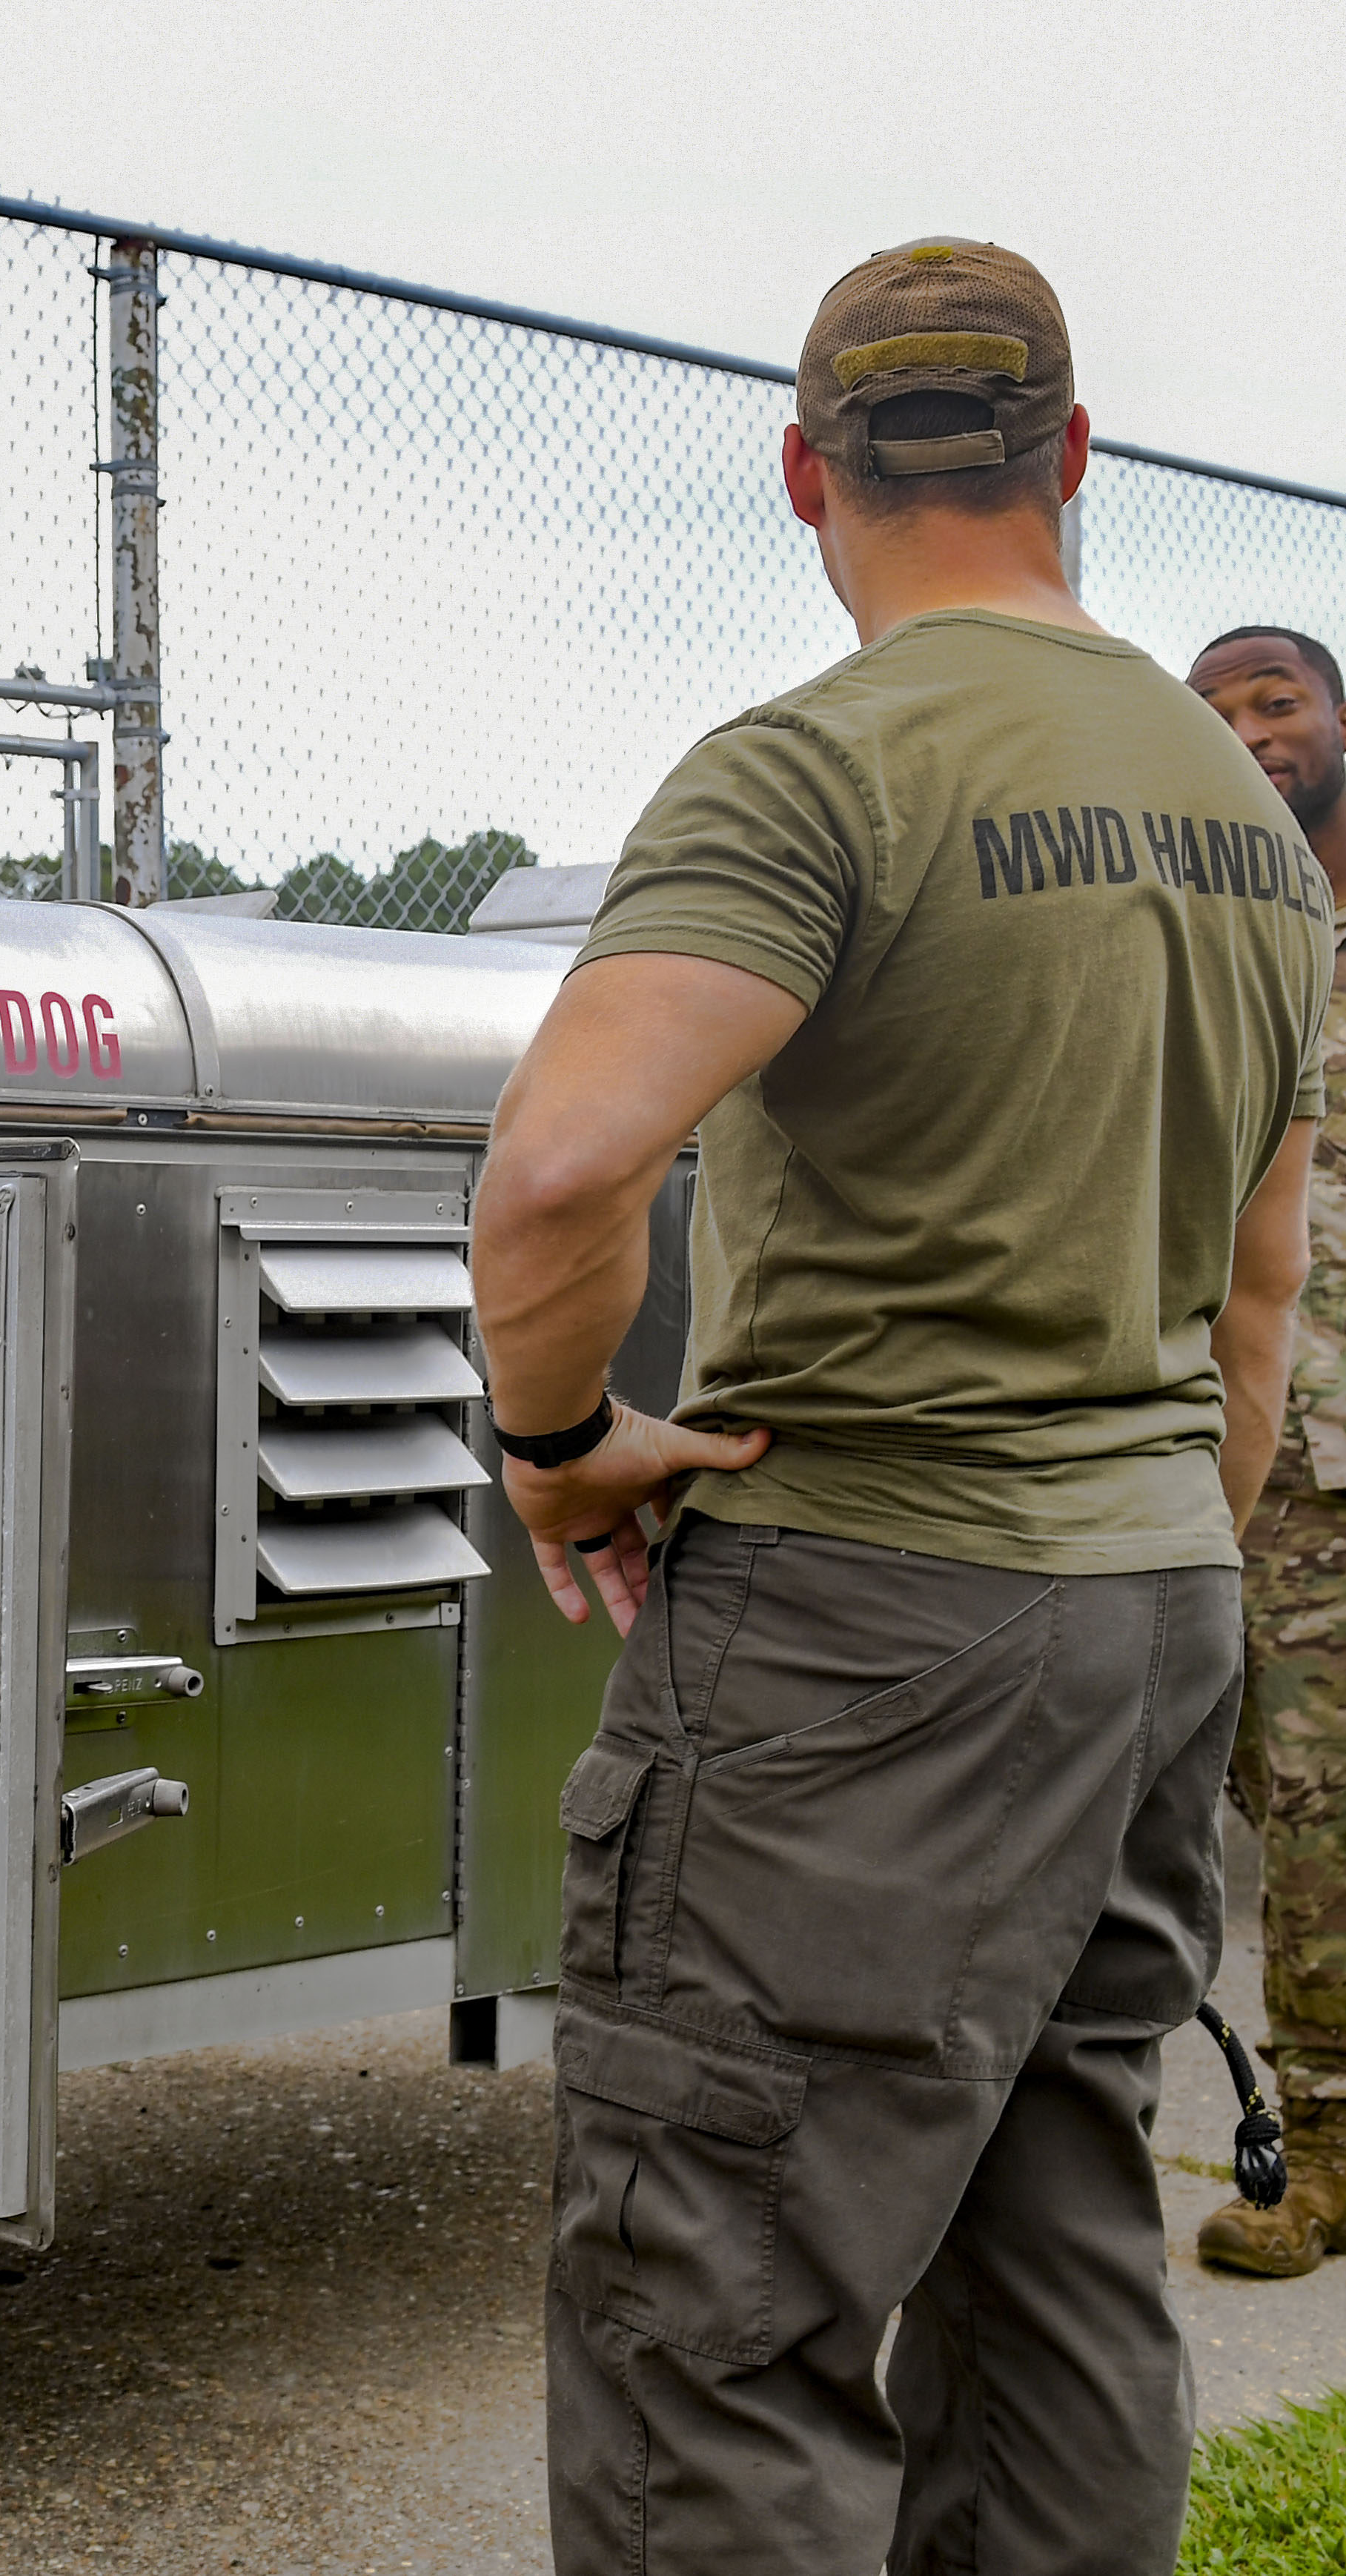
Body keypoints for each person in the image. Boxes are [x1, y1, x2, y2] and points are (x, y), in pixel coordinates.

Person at [471, 239, 1328, 2575]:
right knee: (1053, 2244)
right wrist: (1155, 1551)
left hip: (867, 1626)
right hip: (1150, 1597)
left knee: (715, 2293)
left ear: (799, 471)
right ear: (1074, 459)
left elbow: (557, 1170)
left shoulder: (816, 762)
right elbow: (1260, 1293)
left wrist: (559, 1444)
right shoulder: (1252, 823)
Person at [1190, 622, 1346, 2274]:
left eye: (1276, 699)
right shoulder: (1227, 938)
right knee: (1267, 1809)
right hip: (1233, 1450)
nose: (1247, 729)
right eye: (1216, 711)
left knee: (1315, 1822)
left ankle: (1327, 2156)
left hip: (1330, 1467)